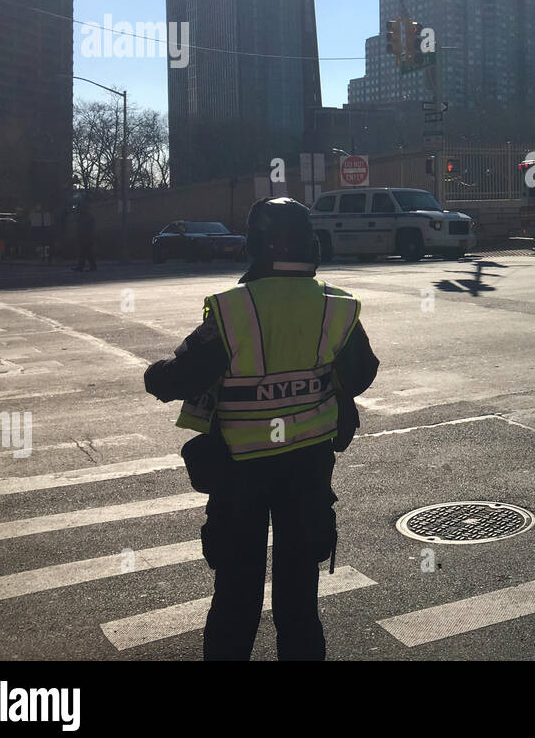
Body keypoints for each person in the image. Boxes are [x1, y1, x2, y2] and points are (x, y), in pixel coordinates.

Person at [143, 197, 379, 660]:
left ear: (254, 246)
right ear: (310, 245)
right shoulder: (335, 307)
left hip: (240, 472)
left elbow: (179, 379)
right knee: (299, 597)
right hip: (308, 469)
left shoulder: (234, 310)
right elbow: (363, 372)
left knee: (236, 594)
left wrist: (154, 374)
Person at [74, 206, 97, 271]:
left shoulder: (85, 217)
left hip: (86, 237)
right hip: (84, 237)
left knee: (86, 252)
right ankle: (83, 266)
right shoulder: (84, 217)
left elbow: (86, 227)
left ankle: (88, 266)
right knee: (85, 252)